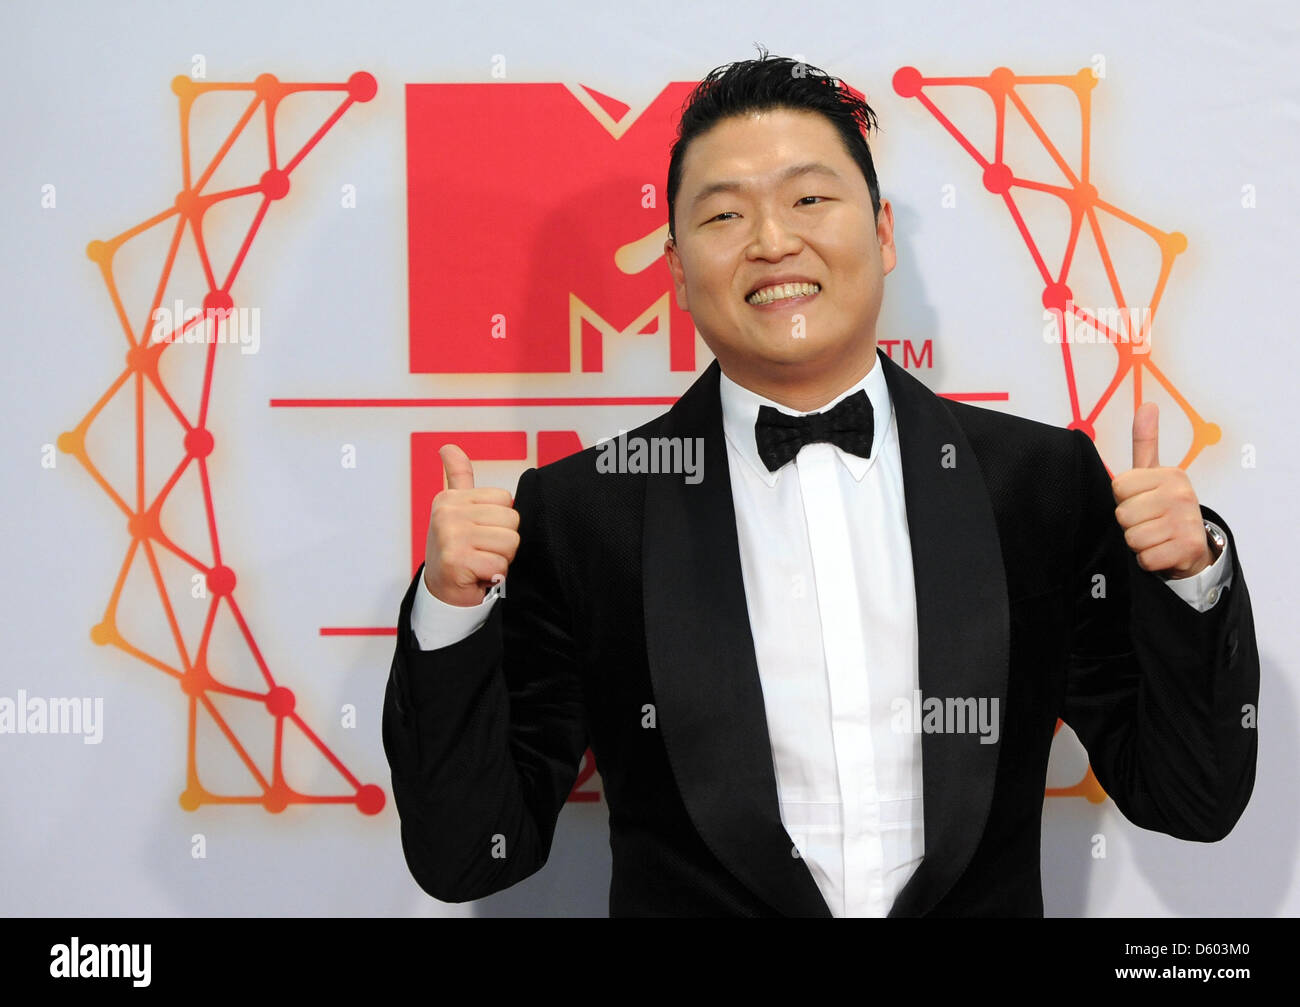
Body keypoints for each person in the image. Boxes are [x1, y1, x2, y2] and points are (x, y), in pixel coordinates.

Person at [381, 50, 1258, 917]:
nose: (772, 241)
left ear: (880, 233)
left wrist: (1190, 576)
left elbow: (1191, 796)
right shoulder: (586, 514)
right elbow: (470, 853)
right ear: (678, 270)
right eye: (724, 215)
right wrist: (452, 610)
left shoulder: (1036, 486)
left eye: (808, 199)